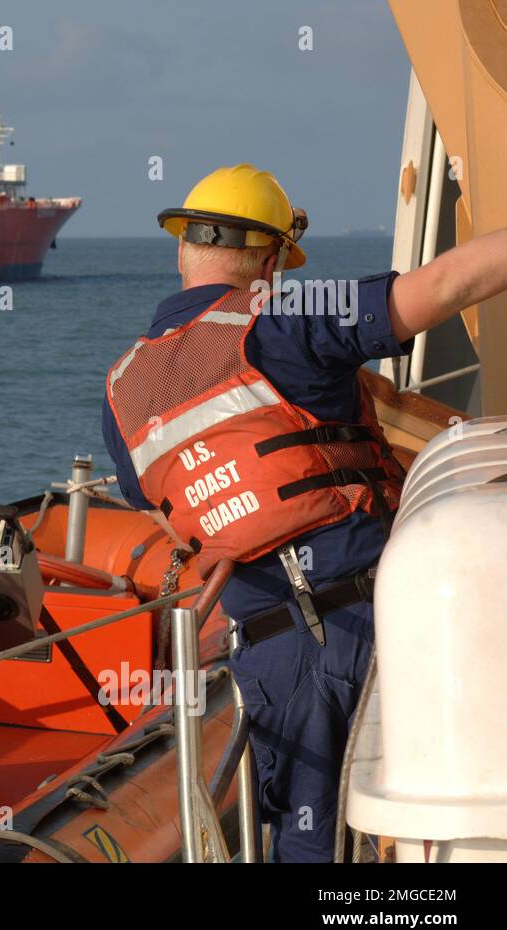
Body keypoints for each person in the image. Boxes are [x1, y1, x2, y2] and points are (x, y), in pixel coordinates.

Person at [101, 163, 507, 862]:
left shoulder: (122, 389)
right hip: (369, 625)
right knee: (420, 825)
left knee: (305, 843)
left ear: (182, 250)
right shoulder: (283, 321)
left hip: (264, 656)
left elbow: (174, 514)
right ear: (268, 260)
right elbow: (441, 285)